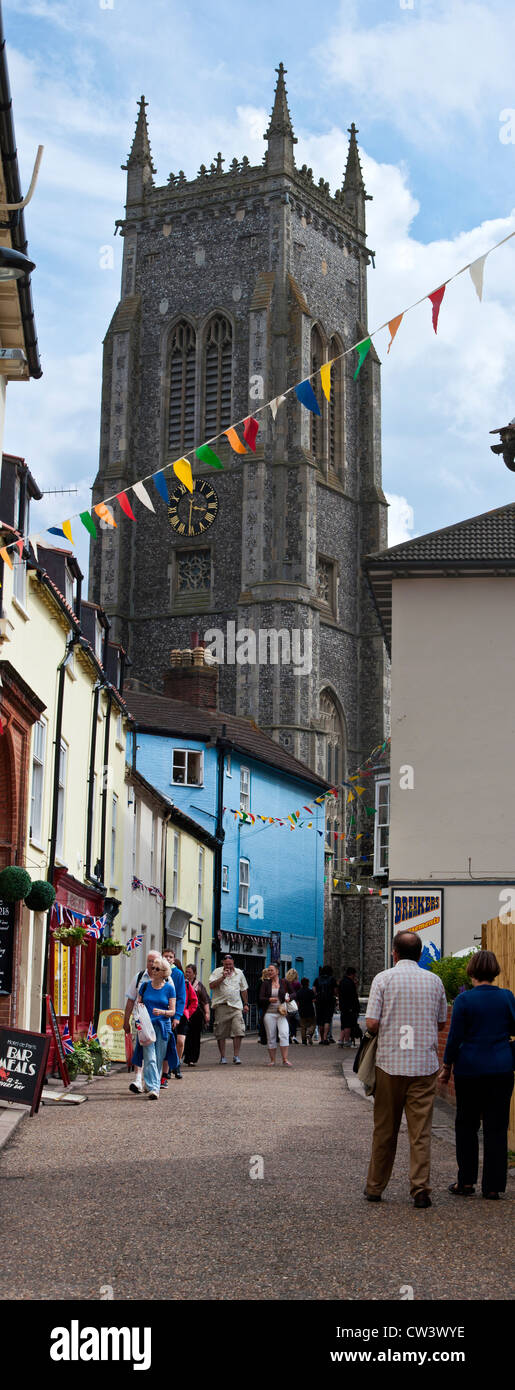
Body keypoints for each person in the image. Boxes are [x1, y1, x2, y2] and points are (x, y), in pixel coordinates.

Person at [363, 930, 447, 1208]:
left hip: (390, 1063)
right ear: (420, 954)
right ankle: (420, 1189)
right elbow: (440, 1024)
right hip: (424, 1066)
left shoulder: (383, 979)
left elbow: (372, 1023)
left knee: (385, 1129)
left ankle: (375, 1187)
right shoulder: (434, 981)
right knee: (420, 1132)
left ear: (394, 952)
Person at [440, 950, 515, 1200]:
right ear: (495, 971)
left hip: (470, 1069)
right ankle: (493, 1186)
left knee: (466, 1125)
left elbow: (454, 1039)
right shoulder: (507, 997)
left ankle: (467, 1182)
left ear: (471, 971)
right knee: (496, 1127)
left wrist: (447, 1065)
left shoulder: (464, 1000)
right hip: (501, 1068)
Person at [135, 956, 176, 1099]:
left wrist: (163, 1012)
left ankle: (150, 1083)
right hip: (146, 1026)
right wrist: (138, 1016)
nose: (153, 970)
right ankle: (154, 1088)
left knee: (158, 1058)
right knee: (149, 1057)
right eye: (152, 968)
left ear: (164, 972)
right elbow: (138, 1004)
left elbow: (172, 1011)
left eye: (157, 969)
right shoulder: (144, 986)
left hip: (163, 1027)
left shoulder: (169, 989)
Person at [124, 948, 161, 1094]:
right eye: (149, 961)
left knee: (153, 1053)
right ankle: (138, 1079)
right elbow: (130, 1000)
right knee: (139, 1048)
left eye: (154, 961)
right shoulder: (139, 977)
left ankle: (150, 1081)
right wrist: (126, 1020)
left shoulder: (166, 978)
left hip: (158, 1021)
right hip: (140, 1021)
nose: (151, 964)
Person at [209, 955, 249, 1064]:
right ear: (223, 963)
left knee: (238, 1030)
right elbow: (211, 985)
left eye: (230, 964)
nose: (228, 966)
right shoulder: (217, 972)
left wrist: (246, 1003)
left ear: (233, 963)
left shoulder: (239, 973)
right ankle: (223, 1057)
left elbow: (244, 989)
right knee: (221, 1032)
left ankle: (236, 1056)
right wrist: (222, 977)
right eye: (226, 964)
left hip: (236, 1006)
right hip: (221, 1005)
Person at [161, 947, 187, 1083]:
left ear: (174, 958)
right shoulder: (157, 971)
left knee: (178, 1041)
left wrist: (177, 1016)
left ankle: (175, 1065)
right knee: (167, 1042)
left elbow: (182, 996)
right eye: (165, 956)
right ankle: (168, 1069)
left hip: (175, 1013)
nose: (168, 959)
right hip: (161, 1013)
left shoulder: (178, 974)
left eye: (170, 957)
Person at [259, 963, 292, 1067]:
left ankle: (285, 1059)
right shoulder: (265, 984)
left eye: (271, 970)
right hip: (269, 1014)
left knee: (284, 1033)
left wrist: (289, 997)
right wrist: (269, 999)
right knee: (271, 1036)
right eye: (268, 970)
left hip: (282, 1013)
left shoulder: (284, 982)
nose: (269, 972)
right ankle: (272, 1060)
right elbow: (260, 998)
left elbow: (295, 993)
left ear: (277, 971)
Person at [184, 964, 210, 1065]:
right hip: (185, 1013)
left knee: (194, 1036)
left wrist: (207, 1013)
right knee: (185, 1035)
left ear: (194, 974)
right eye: (186, 972)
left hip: (196, 1015)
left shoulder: (199, 985)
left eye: (189, 972)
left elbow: (205, 1000)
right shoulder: (183, 983)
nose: (187, 974)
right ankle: (185, 1055)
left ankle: (192, 1059)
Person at [313, 964, 338, 1044]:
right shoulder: (332, 979)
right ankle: (325, 1037)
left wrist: (317, 995)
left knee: (320, 1020)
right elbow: (335, 991)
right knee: (327, 1019)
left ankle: (321, 1039)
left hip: (319, 1001)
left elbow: (314, 989)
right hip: (329, 1001)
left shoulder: (317, 979)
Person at [338, 967, 360, 1047]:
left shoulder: (342, 982)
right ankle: (347, 1041)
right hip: (349, 1006)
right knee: (348, 1024)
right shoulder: (350, 983)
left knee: (343, 1024)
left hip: (343, 1005)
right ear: (352, 974)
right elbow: (353, 996)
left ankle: (341, 1040)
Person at [297, 977, 316, 1044]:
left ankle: (304, 1040)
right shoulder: (310, 991)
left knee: (303, 1026)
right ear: (308, 983)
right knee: (313, 1024)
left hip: (302, 1010)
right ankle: (309, 1033)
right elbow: (313, 1000)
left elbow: (298, 1002)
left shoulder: (299, 992)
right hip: (310, 1010)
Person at [285, 968, 301, 1043]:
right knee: (294, 1022)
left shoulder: (285, 982)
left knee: (288, 1021)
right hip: (294, 1004)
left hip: (286, 1002)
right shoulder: (297, 984)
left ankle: (288, 1035)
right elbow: (298, 994)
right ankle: (294, 1036)